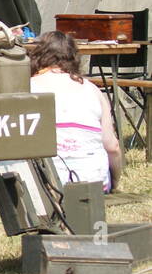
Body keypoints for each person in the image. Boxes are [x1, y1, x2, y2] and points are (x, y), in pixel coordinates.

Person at [28, 30, 123, 192]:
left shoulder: (28, 87)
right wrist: (115, 181)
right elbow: (112, 146)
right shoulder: (92, 90)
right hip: (94, 181)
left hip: (47, 184)